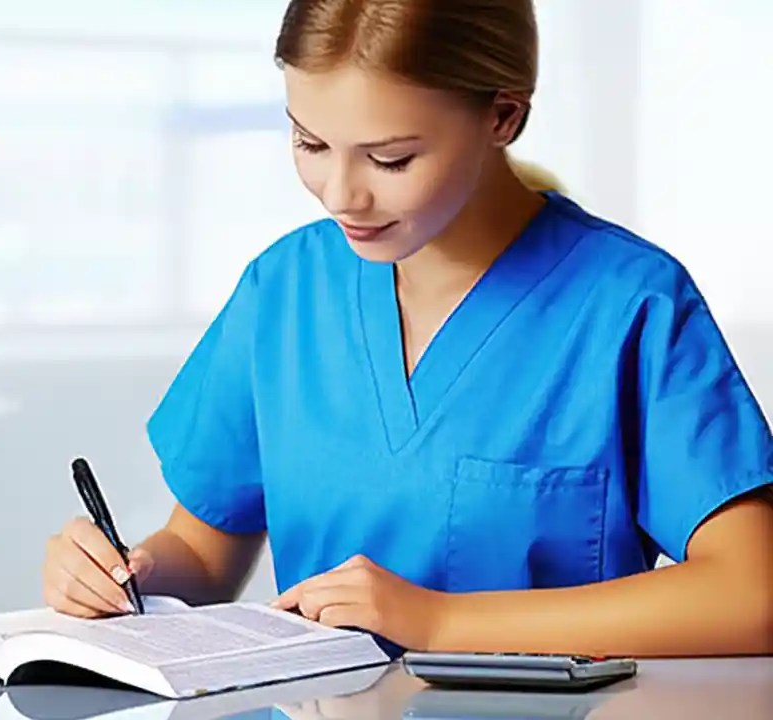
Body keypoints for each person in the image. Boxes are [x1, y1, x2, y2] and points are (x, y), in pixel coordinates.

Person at [42, 0, 773, 656]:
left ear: (503, 117)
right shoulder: (285, 290)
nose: (340, 195)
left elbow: (752, 597)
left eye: (391, 159)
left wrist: (439, 622)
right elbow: (202, 558)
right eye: (310, 144)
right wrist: (120, 576)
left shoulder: (628, 304)